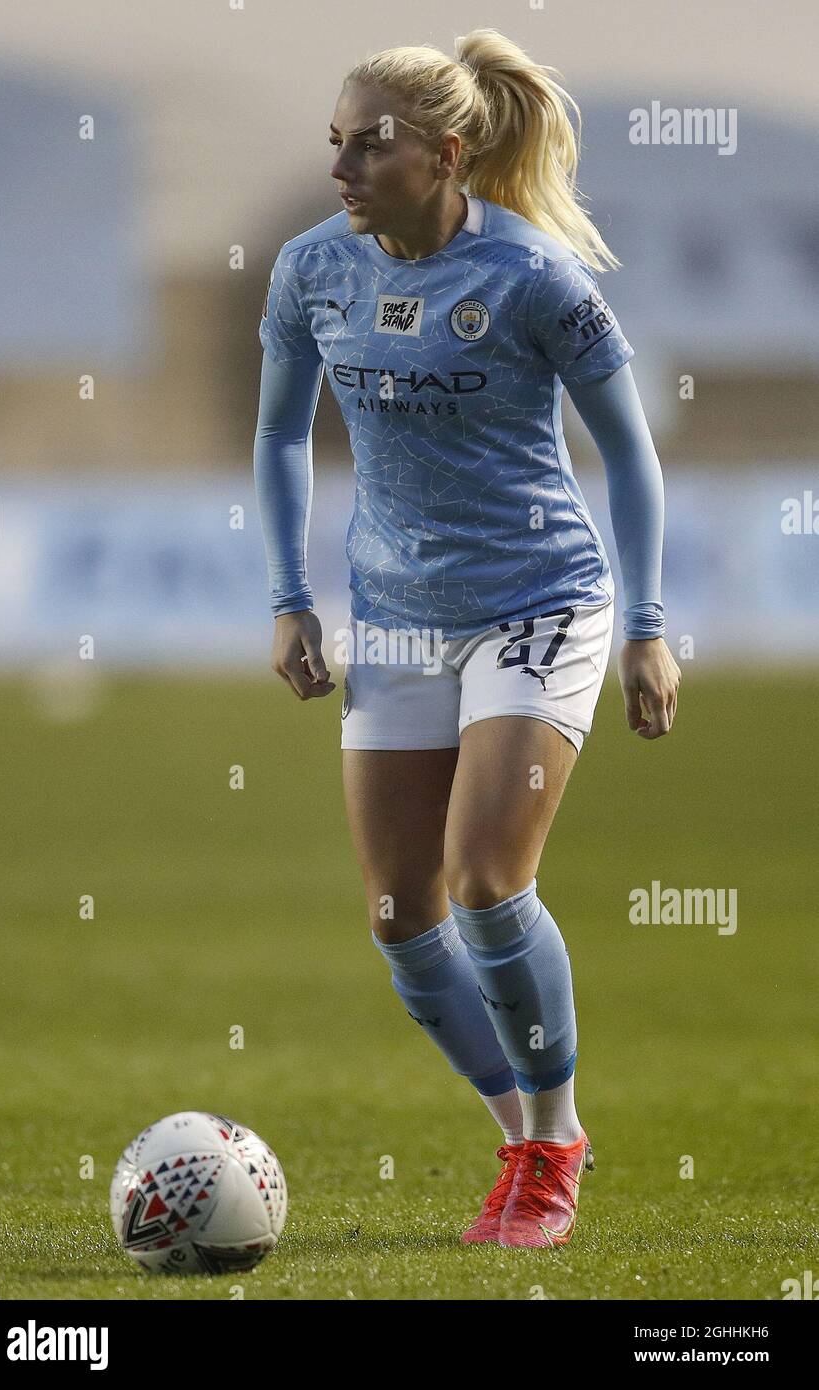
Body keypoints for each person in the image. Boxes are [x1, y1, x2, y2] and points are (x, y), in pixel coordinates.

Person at [253, 28, 681, 1249]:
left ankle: (554, 1146)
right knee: (401, 914)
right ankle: (523, 1135)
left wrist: (646, 628)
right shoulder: (309, 271)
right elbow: (284, 436)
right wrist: (292, 597)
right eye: (334, 140)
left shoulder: (539, 279)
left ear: (445, 155)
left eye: (370, 142)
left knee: (489, 880)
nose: (342, 164)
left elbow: (633, 456)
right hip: (396, 616)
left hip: (539, 598)